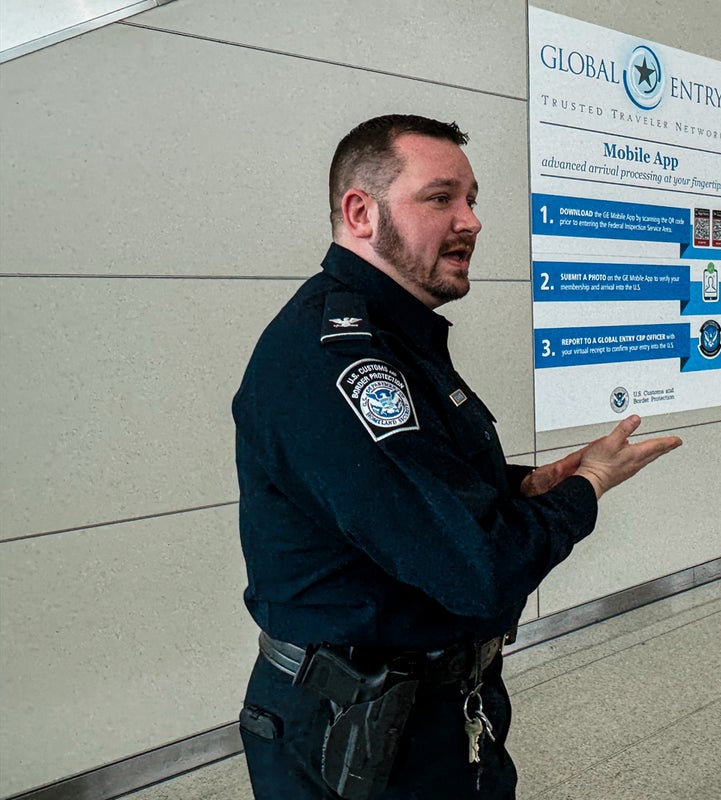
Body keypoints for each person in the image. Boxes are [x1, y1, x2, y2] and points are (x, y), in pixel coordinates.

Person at [231, 113, 682, 800]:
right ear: (360, 212)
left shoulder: (397, 335)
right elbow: (477, 572)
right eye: (440, 198)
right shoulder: (342, 359)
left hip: (427, 709)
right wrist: (583, 489)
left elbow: (407, 491)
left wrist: (524, 486)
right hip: (353, 731)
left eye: (472, 199)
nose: (470, 221)